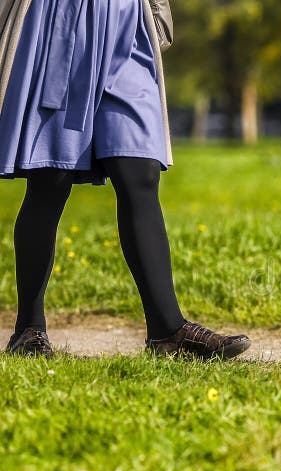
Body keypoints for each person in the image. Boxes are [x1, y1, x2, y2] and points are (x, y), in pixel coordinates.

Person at [0, 0, 251, 359]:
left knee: (140, 171)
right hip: (61, 22)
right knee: (51, 177)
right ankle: (28, 329)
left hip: (126, 23)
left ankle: (167, 331)